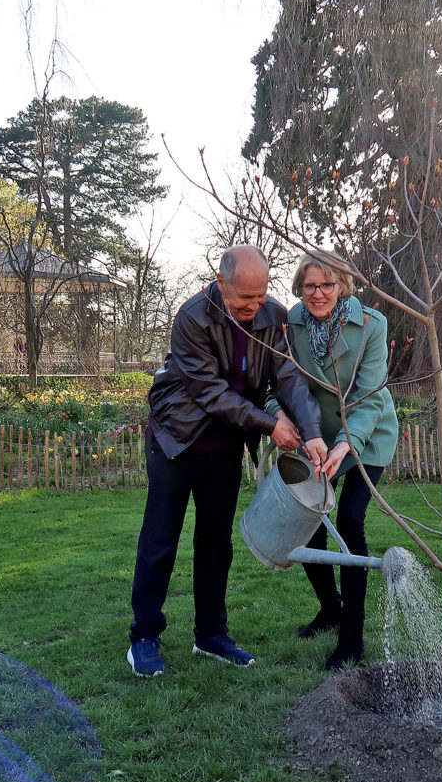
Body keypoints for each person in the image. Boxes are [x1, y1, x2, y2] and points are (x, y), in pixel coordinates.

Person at [127, 245, 328, 678]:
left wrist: (311, 432)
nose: (254, 308)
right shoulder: (193, 317)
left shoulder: (272, 317)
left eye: (260, 297)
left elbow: (288, 377)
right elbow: (209, 392)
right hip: (176, 440)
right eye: (244, 299)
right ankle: (144, 635)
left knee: (216, 543)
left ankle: (211, 635)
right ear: (221, 284)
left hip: (224, 443)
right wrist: (269, 424)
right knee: (160, 540)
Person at [270, 251, 398, 671]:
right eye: (310, 285)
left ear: (343, 285)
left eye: (327, 284)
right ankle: (330, 608)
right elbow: (277, 383)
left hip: (367, 433)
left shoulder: (371, 326)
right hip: (315, 437)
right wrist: (283, 417)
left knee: (349, 521)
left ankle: (352, 637)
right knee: (309, 525)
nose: (318, 293)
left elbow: (369, 395)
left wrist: (347, 442)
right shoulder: (291, 325)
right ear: (299, 288)